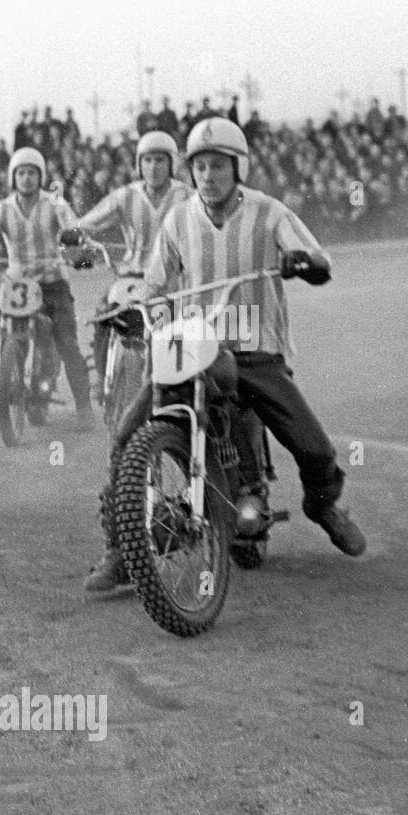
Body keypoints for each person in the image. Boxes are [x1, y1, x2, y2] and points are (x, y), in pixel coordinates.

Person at [145, 117, 365, 557]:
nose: (208, 177)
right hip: (197, 350)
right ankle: (123, 540)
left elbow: (318, 259)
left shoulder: (269, 211)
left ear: (238, 168)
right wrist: (154, 311)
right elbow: (154, 285)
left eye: (219, 167)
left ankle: (323, 507)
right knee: (129, 434)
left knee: (316, 451)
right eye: (201, 167)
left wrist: (301, 261)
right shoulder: (178, 220)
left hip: (256, 351)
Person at [62, 130, 193, 592]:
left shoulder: (189, 195)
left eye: (162, 159)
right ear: (138, 165)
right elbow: (86, 223)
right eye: (148, 160)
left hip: (177, 292)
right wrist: (75, 237)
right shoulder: (124, 197)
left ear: (172, 163)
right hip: (131, 283)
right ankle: (106, 384)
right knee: (106, 320)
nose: (154, 167)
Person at [0, 146, 96, 429]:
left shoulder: (54, 203)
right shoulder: (2, 209)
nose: (27, 178)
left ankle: (84, 406)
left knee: (66, 342)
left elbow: (71, 225)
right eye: (21, 173)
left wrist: (72, 236)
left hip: (52, 280)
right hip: (17, 281)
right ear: (13, 177)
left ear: (40, 176)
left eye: (32, 172)